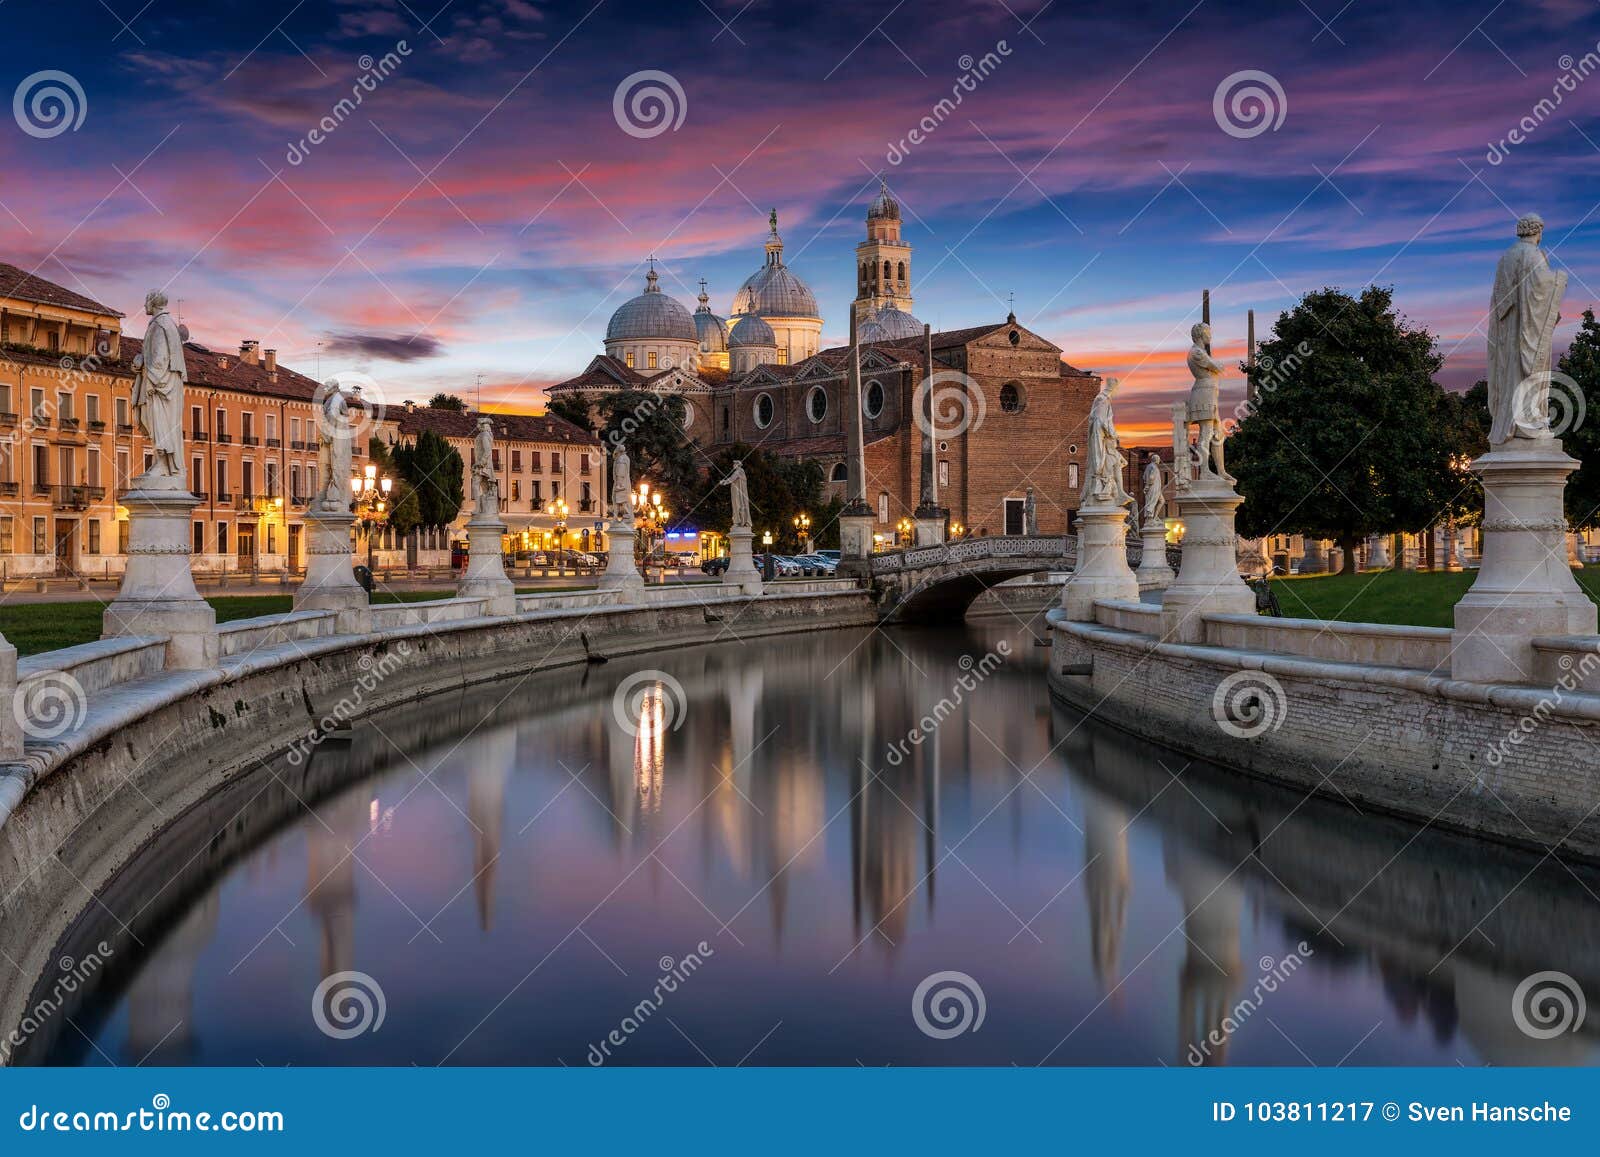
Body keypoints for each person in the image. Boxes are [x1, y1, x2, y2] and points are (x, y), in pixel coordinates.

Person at [129, 290, 185, 482]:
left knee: (160, 423)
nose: (144, 305)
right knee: (156, 423)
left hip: (160, 386)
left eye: (146, 301)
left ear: (153, 303)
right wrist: (141, 361)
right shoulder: (162, 324)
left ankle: (163, 465)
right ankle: (161, 463)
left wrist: (151, 377)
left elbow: (160, 359)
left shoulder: (160, 325)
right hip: (161, 383)